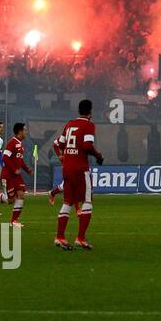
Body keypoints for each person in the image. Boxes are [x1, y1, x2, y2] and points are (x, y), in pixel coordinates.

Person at [48, 99, 104, 250]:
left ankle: (59, 237)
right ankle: (80, 238)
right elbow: (87, 145)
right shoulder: (88, 125)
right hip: (80, 168)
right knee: (87, 201)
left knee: (67, 202)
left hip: (67, 168)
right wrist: (98, 156)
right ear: (90, 112)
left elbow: (57, 144)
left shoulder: (70, 124)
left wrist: (61, 156)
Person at [0, 123, 33, 227]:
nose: (26, 132)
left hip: (16, 176)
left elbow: (20, 160)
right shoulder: (12, 142)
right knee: (10, 200)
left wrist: (27, 170)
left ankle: (14, 221)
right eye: (25, 130)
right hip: (8, 175)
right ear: (20, 131)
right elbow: (5, 157)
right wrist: (14, 169)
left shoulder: (20, 144)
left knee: (21, 194)